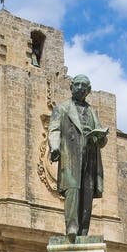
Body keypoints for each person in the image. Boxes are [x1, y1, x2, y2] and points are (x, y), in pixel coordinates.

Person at [48, 75, 108, 242]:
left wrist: (99, 136)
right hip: (71, 156)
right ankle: (72, 228)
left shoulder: (92, 112)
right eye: (78, 84)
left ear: (88, 91)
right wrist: (54, 147)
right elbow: (54, 130)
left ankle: (83, 231)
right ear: (71, 87)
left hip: (90, 159)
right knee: (73, 191)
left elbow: (101, 141)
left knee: (87, 194)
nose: (81, 88)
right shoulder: (62, 109)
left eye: (84, 86)